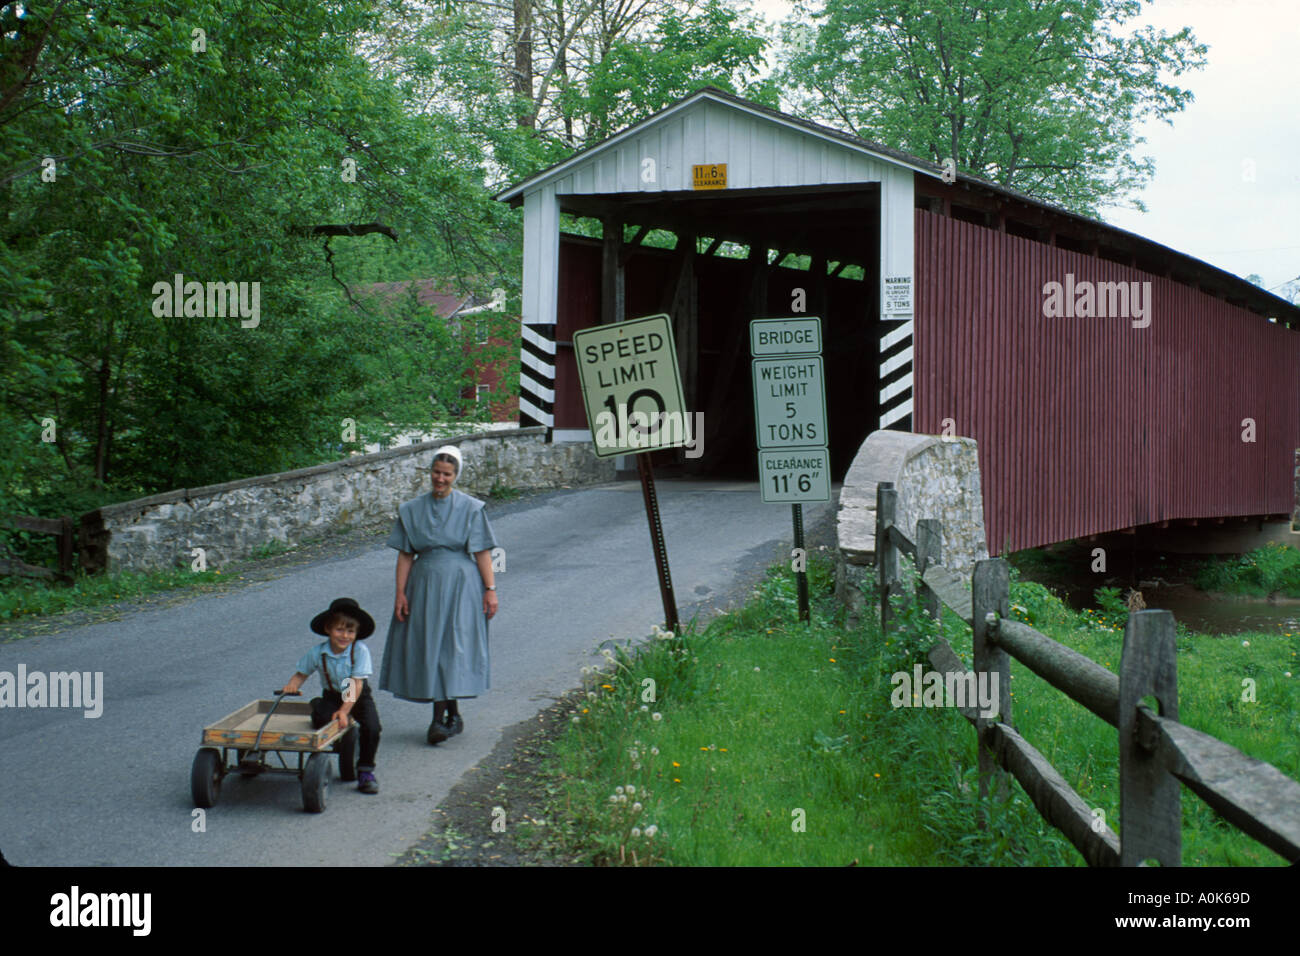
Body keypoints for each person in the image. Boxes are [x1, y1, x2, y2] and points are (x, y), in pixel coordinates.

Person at [380, 445, 499, 745]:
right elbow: (406, 555)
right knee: (430, 645)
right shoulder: (412, 509)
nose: (440, 479)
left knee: (451, 646)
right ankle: (452, 717)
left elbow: (482, 551)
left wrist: (490, 590)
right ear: (430, 472)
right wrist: (400, 593)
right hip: (424, 582)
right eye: (436, 472)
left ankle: (438, 721)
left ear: (455, 475)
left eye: (447, 474)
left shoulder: (471, 508)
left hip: (461, 583)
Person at [281, 597, 382, 794]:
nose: (345, 636)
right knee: (321, 719)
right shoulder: (318, 652)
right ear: (328, 629)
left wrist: (345, 711)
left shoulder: (359, 651)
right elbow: (302, 673)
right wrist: (291, 686)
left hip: (357, 695)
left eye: (350, 631)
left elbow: (356, 683)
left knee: (372, 727)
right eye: (339, 630)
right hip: (332, 695)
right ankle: (320, 706)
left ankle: (365, 771)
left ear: (356, 633)